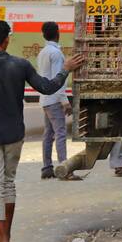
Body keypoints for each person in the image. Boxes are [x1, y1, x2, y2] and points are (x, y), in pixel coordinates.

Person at [0, 19, 75, 242]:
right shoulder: (20, 65)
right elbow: (47, 87)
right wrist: (66, 69)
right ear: (7, 40)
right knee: (8, 184)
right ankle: (7, 237)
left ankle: (1, 240)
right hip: (15, 134)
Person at [37, 22, 69, 180]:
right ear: (58, 32)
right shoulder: (55, 53)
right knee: (60, 133)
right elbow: (58, 79)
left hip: (45, 99)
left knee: (48, 134)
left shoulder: (43, 52)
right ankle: (64, 167)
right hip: (54, 99)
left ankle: (47, 167)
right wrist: (64, 100)